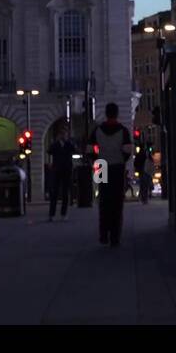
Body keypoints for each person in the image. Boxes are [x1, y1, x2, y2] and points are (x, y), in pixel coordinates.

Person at [88, 102, 133, 246]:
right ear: (117, 113)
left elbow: (89, 150)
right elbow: (127, 151)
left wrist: (97, 160)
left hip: (101, 166)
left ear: (106, 113)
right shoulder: (123, 131)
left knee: (103, 201)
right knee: (117, 203)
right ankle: (115, 237)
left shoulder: (97, 130)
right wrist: (120, 158)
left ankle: (103, 235)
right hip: (117, 166)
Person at [47, 127, 77, 222]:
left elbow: (74, 149)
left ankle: (63, 213)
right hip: (57, 170)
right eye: (61, 134)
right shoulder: (55, 145)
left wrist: (70, 141)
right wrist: (54, 142)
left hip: (66, 170)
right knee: (54, 193)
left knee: (65, 193)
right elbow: (49, 150)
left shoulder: (69, 144)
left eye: (64, 134)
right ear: (58, 136)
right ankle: (52, 214)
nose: (63, 136)